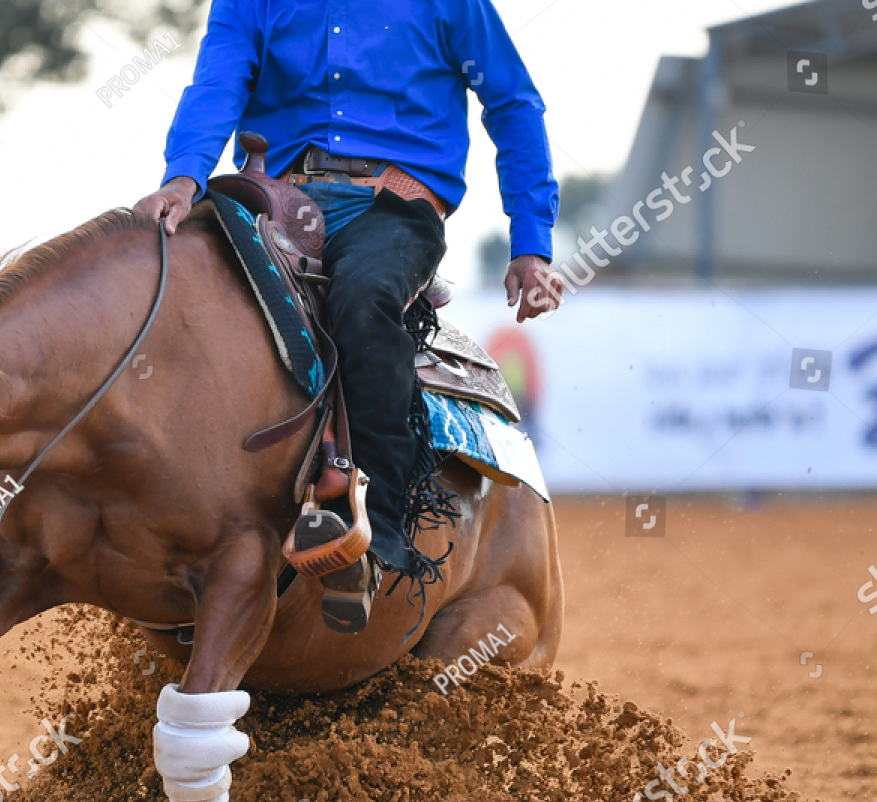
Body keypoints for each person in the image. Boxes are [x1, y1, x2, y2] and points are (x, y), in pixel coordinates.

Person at [134, 0, 564, 630]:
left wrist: (530, 242)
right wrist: (183, 178)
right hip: (274, 201)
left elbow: (513, 102)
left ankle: (378, 527)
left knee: (363, 303)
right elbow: (216, 85)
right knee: (185, 298)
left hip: (394, 205)